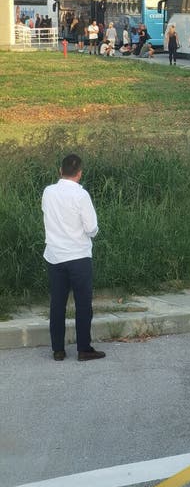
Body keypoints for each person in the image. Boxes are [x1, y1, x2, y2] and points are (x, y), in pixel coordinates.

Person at [42, 154, 105, 361]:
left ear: (60, 171)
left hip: (54, 256)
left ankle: (58, 350)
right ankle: (84, 349)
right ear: (79, 173)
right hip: (78, 257)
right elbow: (92, 228)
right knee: (83, 304)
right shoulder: (81, 195)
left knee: (57, 304)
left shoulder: (48, 192)